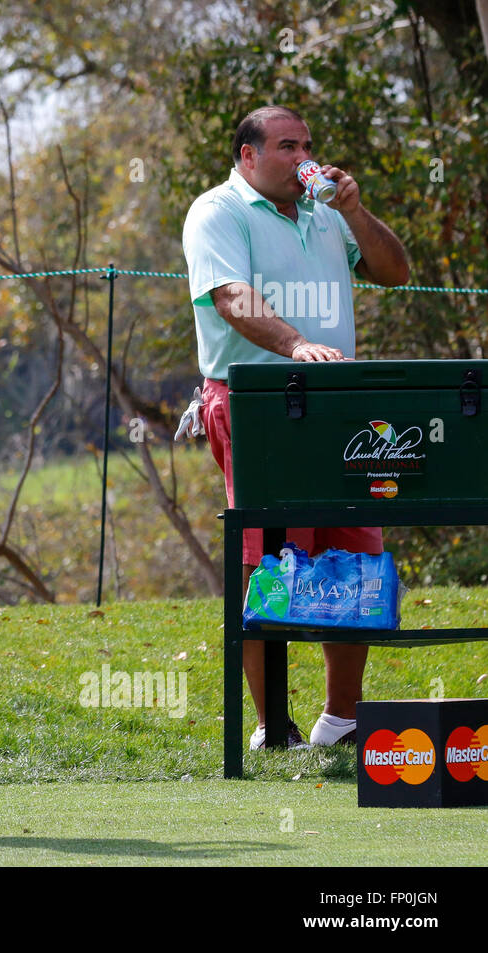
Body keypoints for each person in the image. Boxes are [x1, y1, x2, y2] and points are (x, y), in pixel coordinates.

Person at [181, 105, 409, 749]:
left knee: (357, 555)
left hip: (339, 409)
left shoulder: (325, 212)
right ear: (248, 155)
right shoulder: (218, 211)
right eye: (288, 146)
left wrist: (355, 212)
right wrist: (296, 344)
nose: (305, 158)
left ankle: (341, 723)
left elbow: (396, 272)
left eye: (308, 144)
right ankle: (271, 728)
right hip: (258, 403)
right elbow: (231, 297)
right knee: (276, 562)